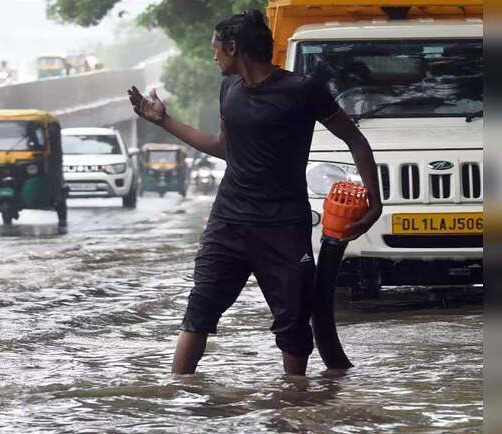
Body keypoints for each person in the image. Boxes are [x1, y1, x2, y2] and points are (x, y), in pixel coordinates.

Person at [127, 9, 382, 376]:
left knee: (294, 326)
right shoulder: (228, 88)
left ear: (234, 48)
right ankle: (179, 403)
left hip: (282, 227)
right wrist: (163, 121)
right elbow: (223, 147)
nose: (213, 55)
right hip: (227, 222)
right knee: (198, 313)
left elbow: (356, 141)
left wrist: (375, 200)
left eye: (217, 48)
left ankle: (296, 407)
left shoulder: (301, 90)